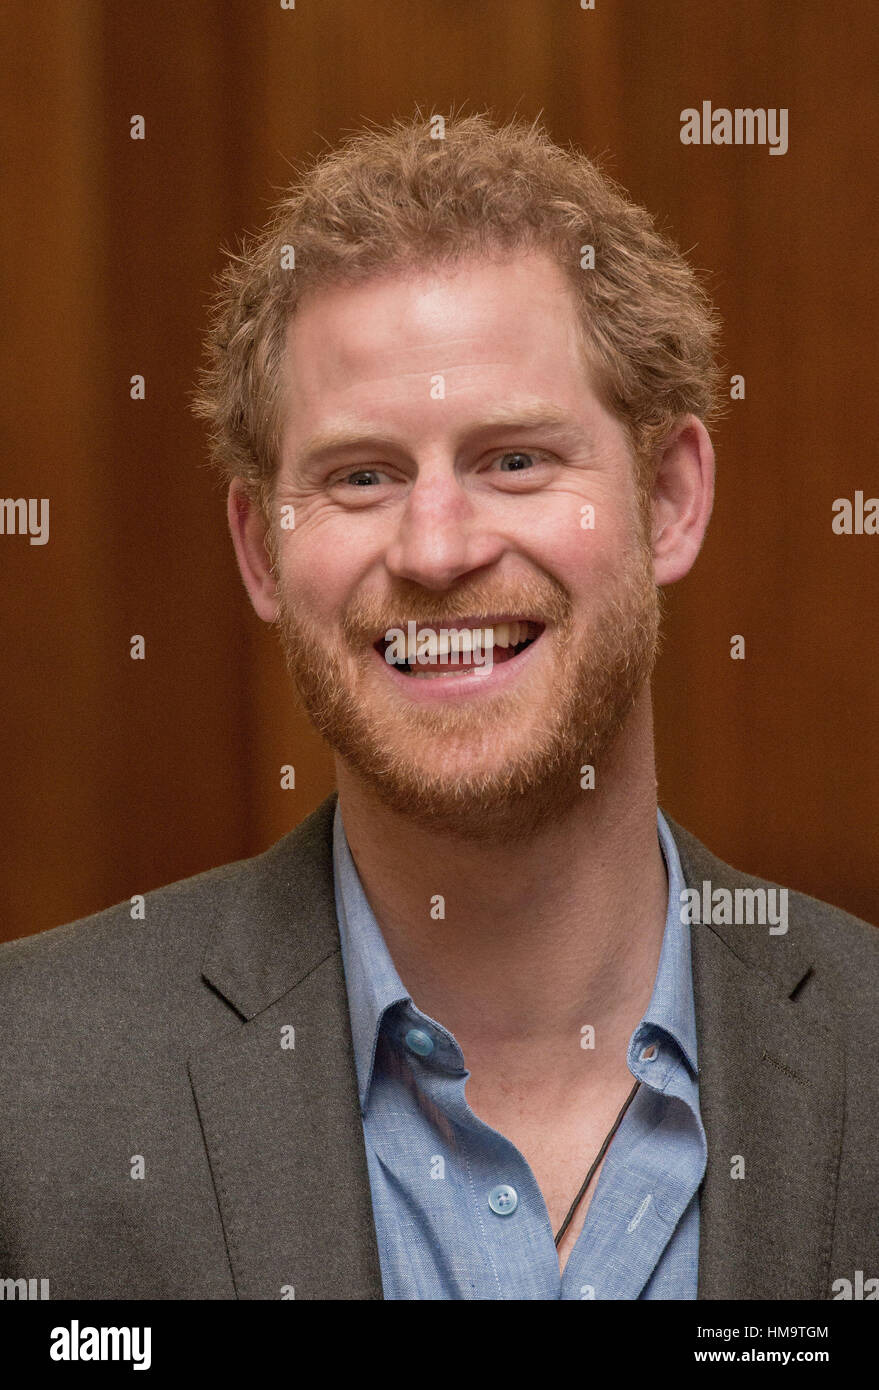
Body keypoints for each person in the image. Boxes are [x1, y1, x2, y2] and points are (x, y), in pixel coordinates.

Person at [1, 112, 876, 1302]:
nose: (436, 545)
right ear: (262, 551)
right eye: (361, 476)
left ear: (669, 499)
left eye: (514, 459)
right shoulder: (29, 1092)